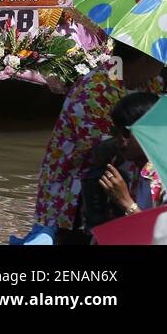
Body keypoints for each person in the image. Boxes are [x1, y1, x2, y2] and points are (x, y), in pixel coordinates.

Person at [12, 40, 165, 244]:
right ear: (146, 59)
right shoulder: (96, 88)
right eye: (160, 58)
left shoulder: (151, 83)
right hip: (80, 177)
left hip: (136, 172)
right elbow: (97, 152)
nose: (163, 64)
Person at [77, 92, 163, 241]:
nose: (120, 139)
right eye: (116, 132)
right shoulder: (139, 167)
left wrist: (126, 202)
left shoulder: (162, 175)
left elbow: (160, 237)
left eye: (127, 132)